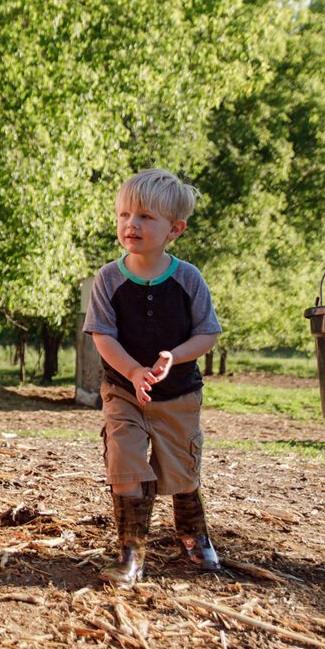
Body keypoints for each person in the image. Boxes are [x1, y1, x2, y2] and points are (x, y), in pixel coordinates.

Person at [83, 168, 222, 587]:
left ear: (174, 230)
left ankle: (192, 531)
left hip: (178, 394)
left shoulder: (187, 279)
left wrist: (172, 357)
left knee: (180, 470)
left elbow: (208, 333)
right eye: (125, 215)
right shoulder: (108, 278)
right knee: (124, 463)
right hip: (123, 392)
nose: (132, 224)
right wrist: (133, 371)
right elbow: (102, 336)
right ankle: (131, 553)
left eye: (145, 217)